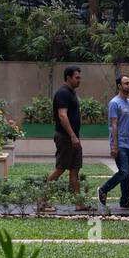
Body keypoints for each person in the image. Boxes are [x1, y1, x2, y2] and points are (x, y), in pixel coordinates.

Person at [46, 66, 91, 210]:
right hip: (66, 138)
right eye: (77, 77)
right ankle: (42, 201)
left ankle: (78, 203)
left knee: (74, 170)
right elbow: (62, 115)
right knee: (60, 169)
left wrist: (75, 137)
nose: (80, 80)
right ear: (68, 77)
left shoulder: (71, 93)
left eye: (80, 77)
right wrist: (72, 136)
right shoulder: (63, 93)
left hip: (73, 138)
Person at [98, 74, 129, 210]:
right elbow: (114, 125)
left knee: (128, 175)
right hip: (120, 143)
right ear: (119, 86)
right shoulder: (114, 103)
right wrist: (114, 146)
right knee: (123, 171)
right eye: (126, 83)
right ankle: (103, 189)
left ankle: (124, 201)